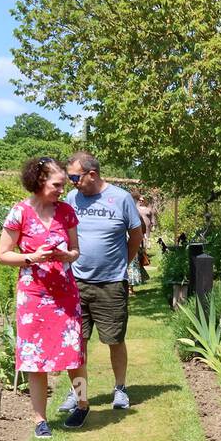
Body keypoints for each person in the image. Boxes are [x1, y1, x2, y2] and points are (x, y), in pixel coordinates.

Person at [0, 157, 90, 438]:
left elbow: (75, 250)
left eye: (63, 185)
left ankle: (83, 404)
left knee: (75, 354)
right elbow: (3, 255)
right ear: (39, 182)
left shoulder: (66, 212)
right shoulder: (19, 213)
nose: (62, 190)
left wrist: (66, 255)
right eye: (57, 184)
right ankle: (40, 420)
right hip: (33, 297)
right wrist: (30, 257)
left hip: (64, 294)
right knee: (34, 359)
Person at [58, 151, 143, 412]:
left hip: (110, 283)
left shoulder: (121, 198)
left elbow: (136, 235)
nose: (71, 182)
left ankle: (120, 389)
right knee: (77, 341)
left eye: (74, 177)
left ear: (91, 174)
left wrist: (122, 266)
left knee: (114, 339)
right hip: (77, 282)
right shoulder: (73, 198)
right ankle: (78, 393)